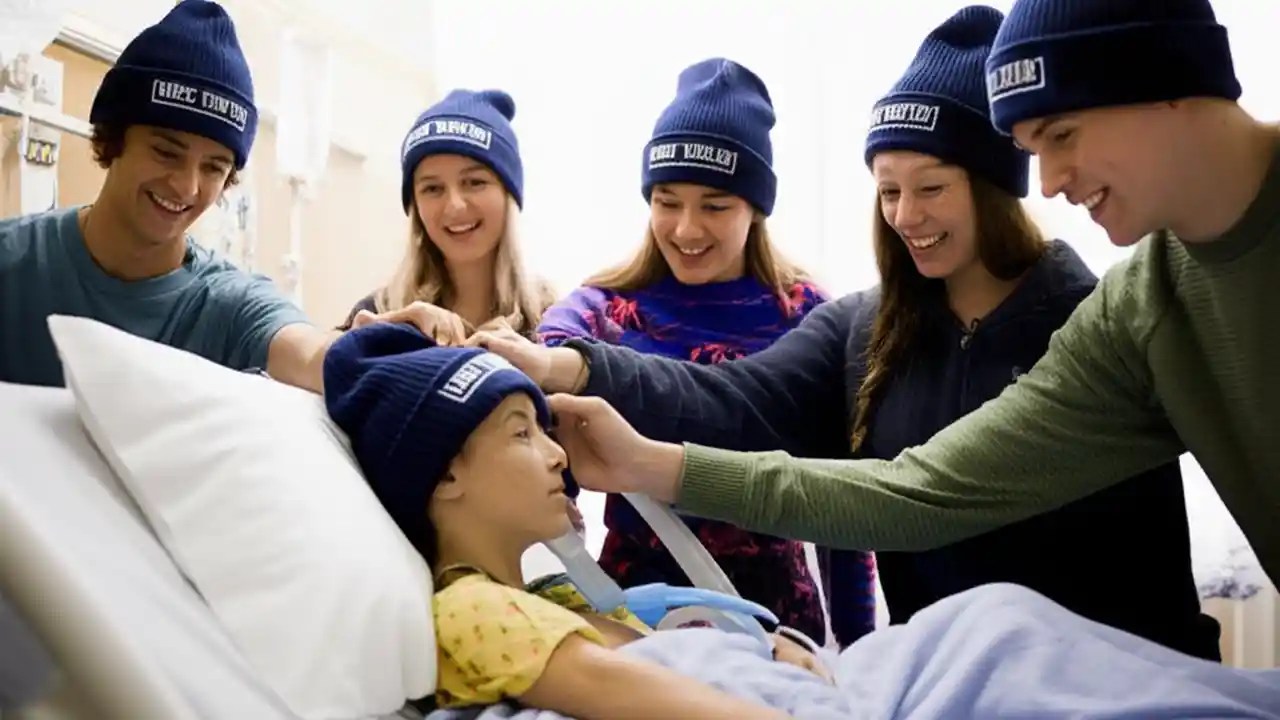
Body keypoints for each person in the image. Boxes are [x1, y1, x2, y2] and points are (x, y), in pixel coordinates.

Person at [470, 0, 1279, 599]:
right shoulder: (1125, 311)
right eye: (888, 191)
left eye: (1061, 137)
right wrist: (581, 378)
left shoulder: (1088, 314)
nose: (1058, 184)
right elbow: (907, 488)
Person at [321, 323, 824, 719]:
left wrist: (774, 649)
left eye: (546, 431)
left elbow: (693, 652)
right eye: (522, 434)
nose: (559, 454)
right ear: (445, 474)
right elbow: (617, 687)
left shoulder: (561, 597)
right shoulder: (468, 610)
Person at [536, 58, 856, 645]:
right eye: (666, 199)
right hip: (638, 613)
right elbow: (545, 363)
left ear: (756, 208)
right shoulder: (605, 307)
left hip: (777, 623)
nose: (686, 229)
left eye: (715, 205)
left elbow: (846, 497)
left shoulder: (811, 317)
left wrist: (860, 649)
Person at [0, 0, 439, 395]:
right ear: (114, 138)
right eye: (165, 152)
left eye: (214, 167)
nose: (187, 186)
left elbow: (308, 353)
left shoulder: (227, 307)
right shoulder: (14, 264)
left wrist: (369, 348)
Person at [340, 89, 556, 343]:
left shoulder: (556, 321)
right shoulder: (378, 316)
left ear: (508, 194)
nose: (454, 206)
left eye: (474, 182)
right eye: (432, 189)